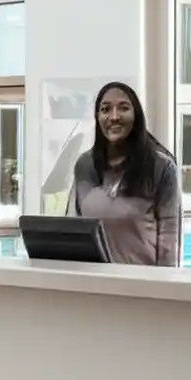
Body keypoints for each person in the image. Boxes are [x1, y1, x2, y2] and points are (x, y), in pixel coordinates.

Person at [68, 82, 181, 266]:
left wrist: (164, 289)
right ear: (97, 117)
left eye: (123, 108)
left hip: (141, 285)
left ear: (136, 116)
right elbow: (75, 228)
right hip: (94, 285)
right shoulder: (85, 166)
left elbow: (169, 238)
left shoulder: (162, 167)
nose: (114, 117)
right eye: (105, 109)